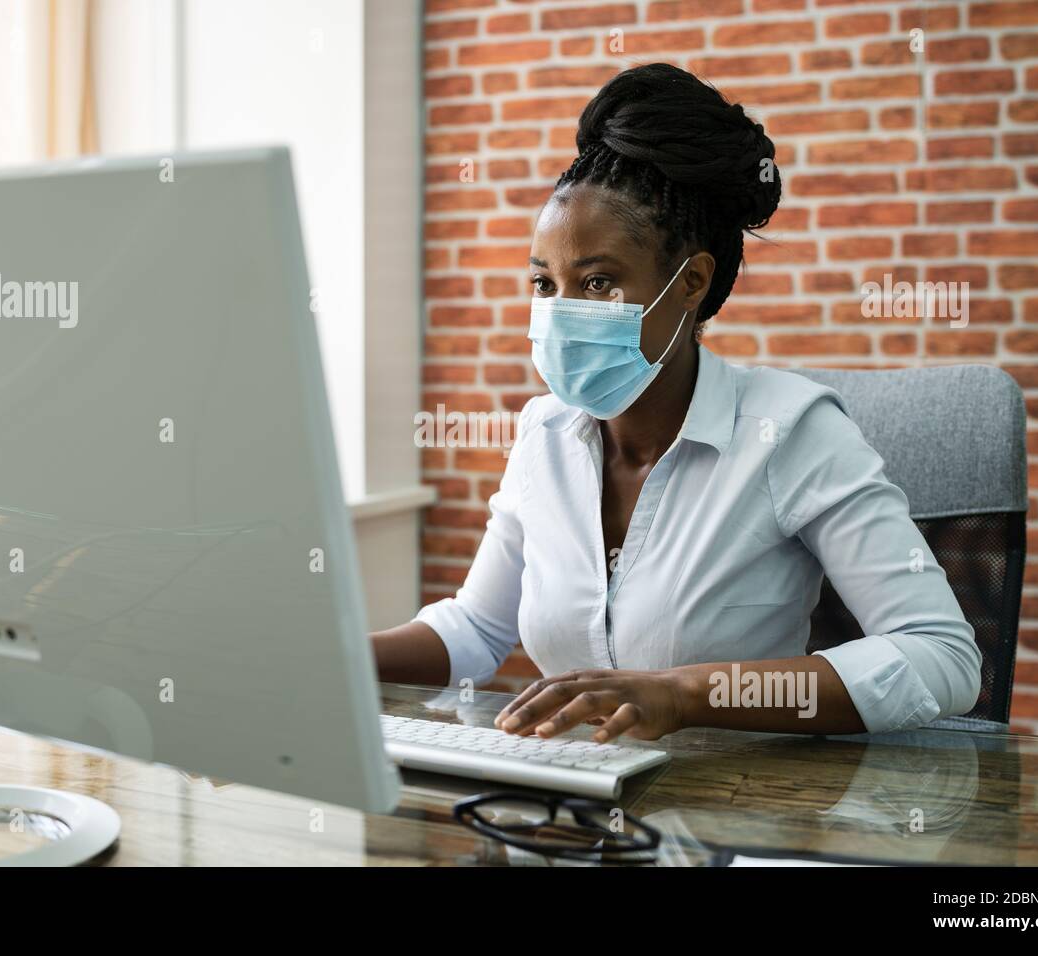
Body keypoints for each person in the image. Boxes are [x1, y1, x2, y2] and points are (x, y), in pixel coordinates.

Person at [372, 63, 980, 742]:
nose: (562, 312)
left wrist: (683, 695)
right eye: (545, 284)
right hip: (568, 808)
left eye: (598, 282)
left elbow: (941, 657)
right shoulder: (545, 432)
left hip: (734, 815)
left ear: (690, 283)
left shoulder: (792, 431)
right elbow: (477, 631)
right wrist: (325, 655)